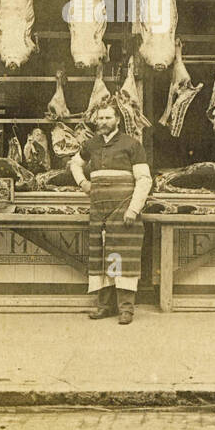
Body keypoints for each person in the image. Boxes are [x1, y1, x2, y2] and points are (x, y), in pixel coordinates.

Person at [69, 102, 152, 324]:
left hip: (123, 210)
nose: (103, 122)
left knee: (122, 257)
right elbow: (74, 164)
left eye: (107, 118)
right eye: (100, 118)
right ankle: (104, 306)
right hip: (98, 211)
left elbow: (144, 179)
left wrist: (133, 209)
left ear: (117, 120)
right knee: (102, 256)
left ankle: (126, 309)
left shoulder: (132, 144)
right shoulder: (91, 145)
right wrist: (83, 183)